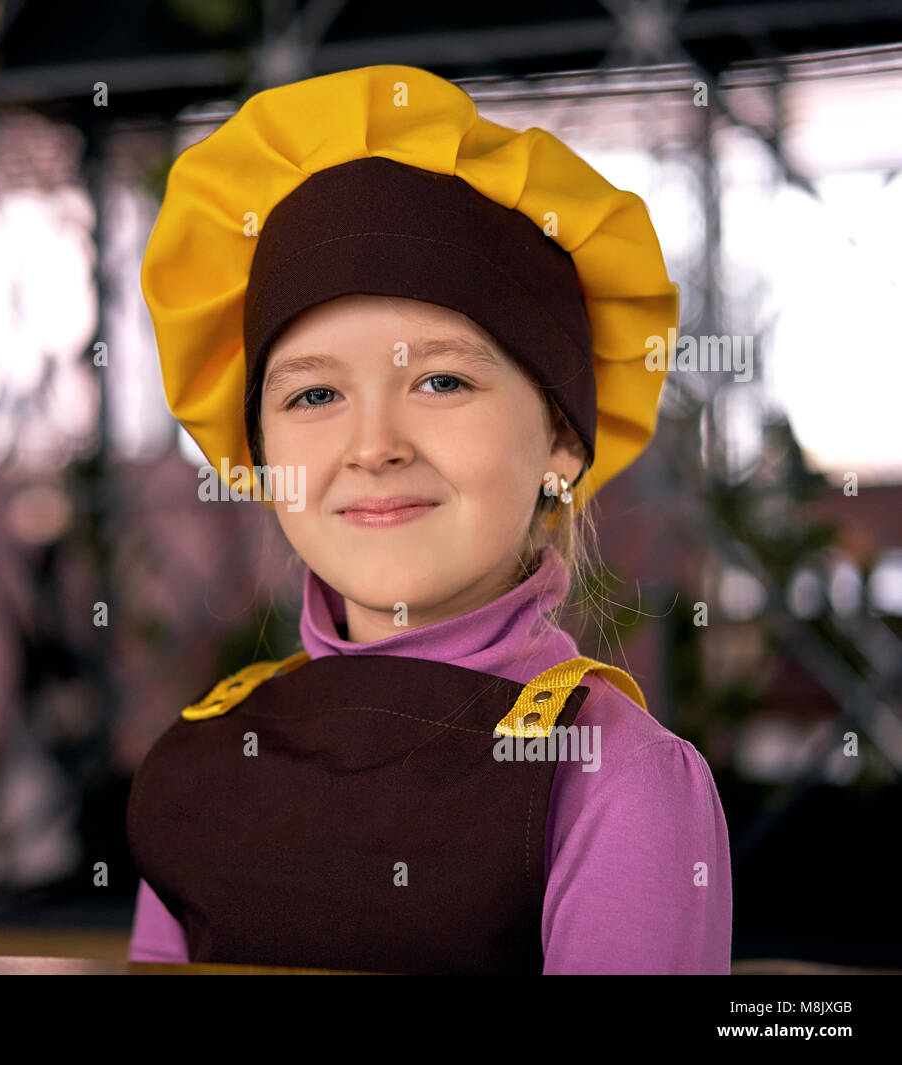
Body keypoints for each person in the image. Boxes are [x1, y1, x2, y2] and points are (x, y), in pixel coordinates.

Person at [125, 64, 731, 974]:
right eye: (315, 392)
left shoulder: (615, 782)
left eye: (442, 380)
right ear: (258, 455)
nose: (374, 446)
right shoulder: (203, 759)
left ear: (563, 442)